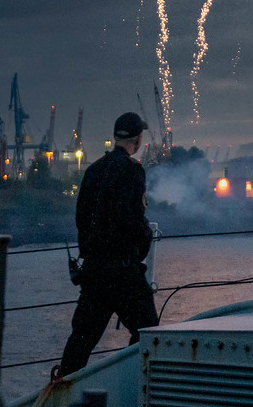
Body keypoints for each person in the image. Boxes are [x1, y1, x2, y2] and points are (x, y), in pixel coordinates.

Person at [55, 111, 159, 377]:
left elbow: (81, 218)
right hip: (123, 272)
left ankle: (62, 386)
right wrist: (145, 238)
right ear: (138, 140)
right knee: (148, 331)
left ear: (115, 137)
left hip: (94, 270)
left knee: (82, 339)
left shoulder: (93, 171)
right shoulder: (132, 171)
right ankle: (131, 381)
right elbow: (133, 219)